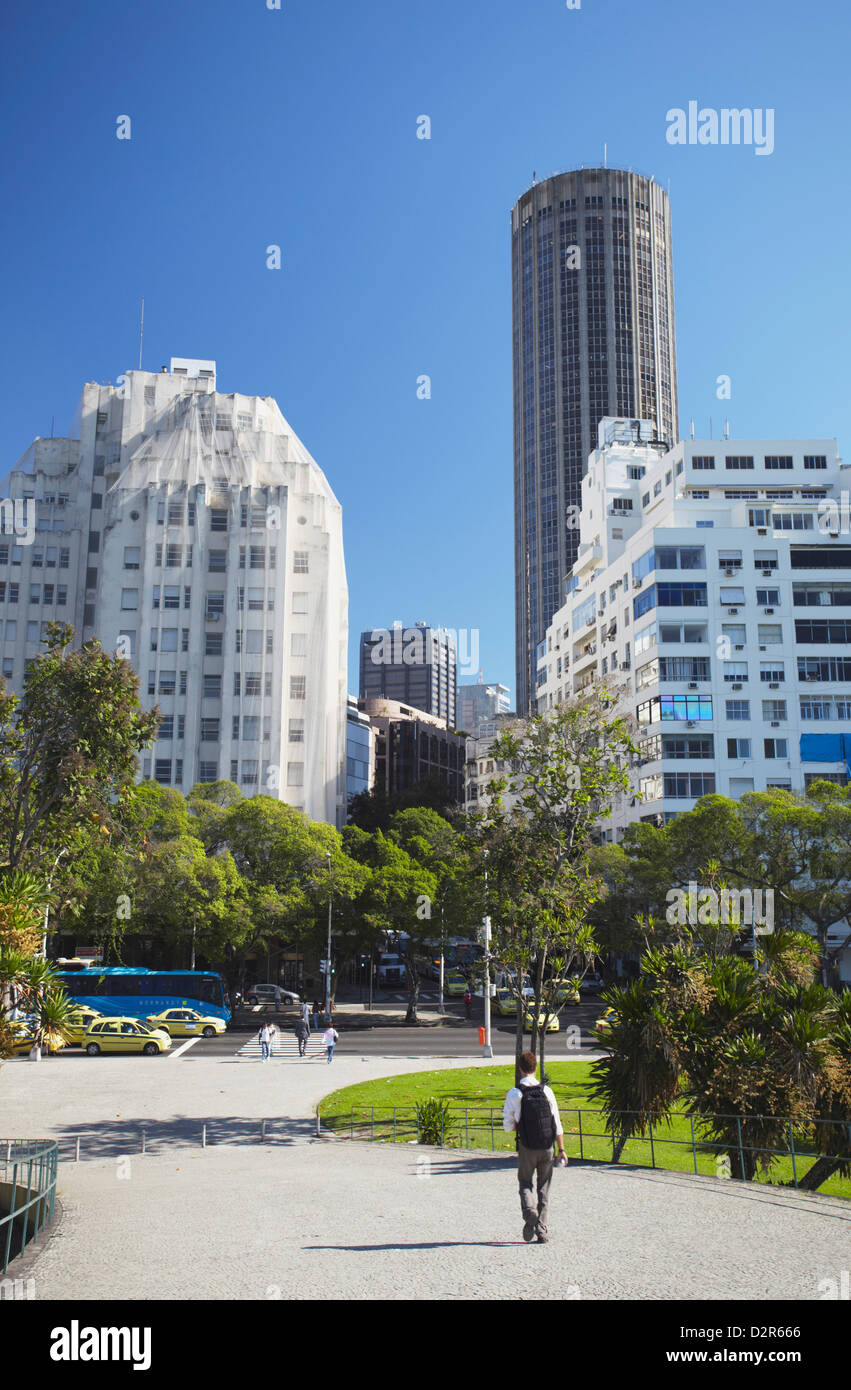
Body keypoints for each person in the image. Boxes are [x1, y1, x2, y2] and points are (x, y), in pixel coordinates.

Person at [503, 1050, 567, 1243]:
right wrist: (562, 1149)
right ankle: (541, 1229)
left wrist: (519, 1125)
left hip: (527, 1146)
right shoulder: (546, 1091)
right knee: (544, 1187)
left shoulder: (515, 1093)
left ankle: (529, 1210)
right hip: (548, 1145)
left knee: (525, 1182)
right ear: (535, 1068)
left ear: (520, 1069)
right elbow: (556, 1121)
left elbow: (507, 1126)